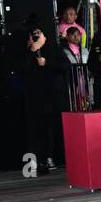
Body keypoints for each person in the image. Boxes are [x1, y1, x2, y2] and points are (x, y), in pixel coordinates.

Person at [20, 27, 66, 173]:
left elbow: (65, 67)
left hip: (53, 96)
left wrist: (47, 63)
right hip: (35, 98)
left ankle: (54, 158)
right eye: (33, 35)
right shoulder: (27, 51)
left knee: (54, 128)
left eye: (39, 35)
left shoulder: (54, 48)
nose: (36, 37)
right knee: (36, 130)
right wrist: (33, 49)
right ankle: (36, 163)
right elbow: (22, 68)